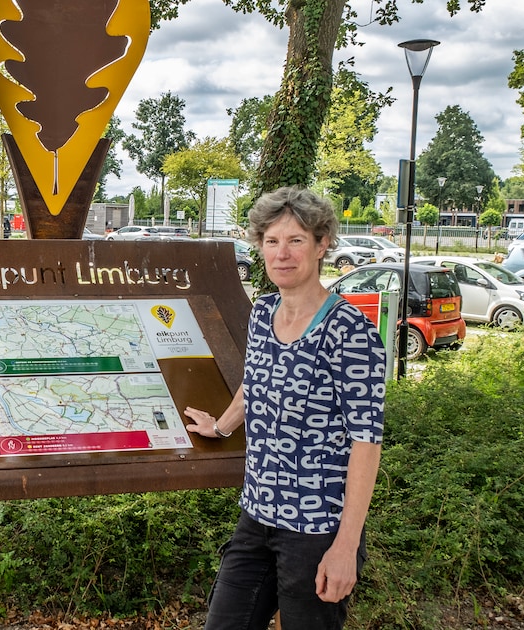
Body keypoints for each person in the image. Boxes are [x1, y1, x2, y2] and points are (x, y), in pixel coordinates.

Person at [184, 186, 386, 630]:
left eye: (296, 241)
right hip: (257, 513)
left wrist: (346, 545)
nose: (282, 254)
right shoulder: (264, 311)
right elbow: (255, 383)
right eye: (272, 241)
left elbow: (366, 442)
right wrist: (221, 427)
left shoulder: (349, 330)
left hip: (317, 527)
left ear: (322, 245)